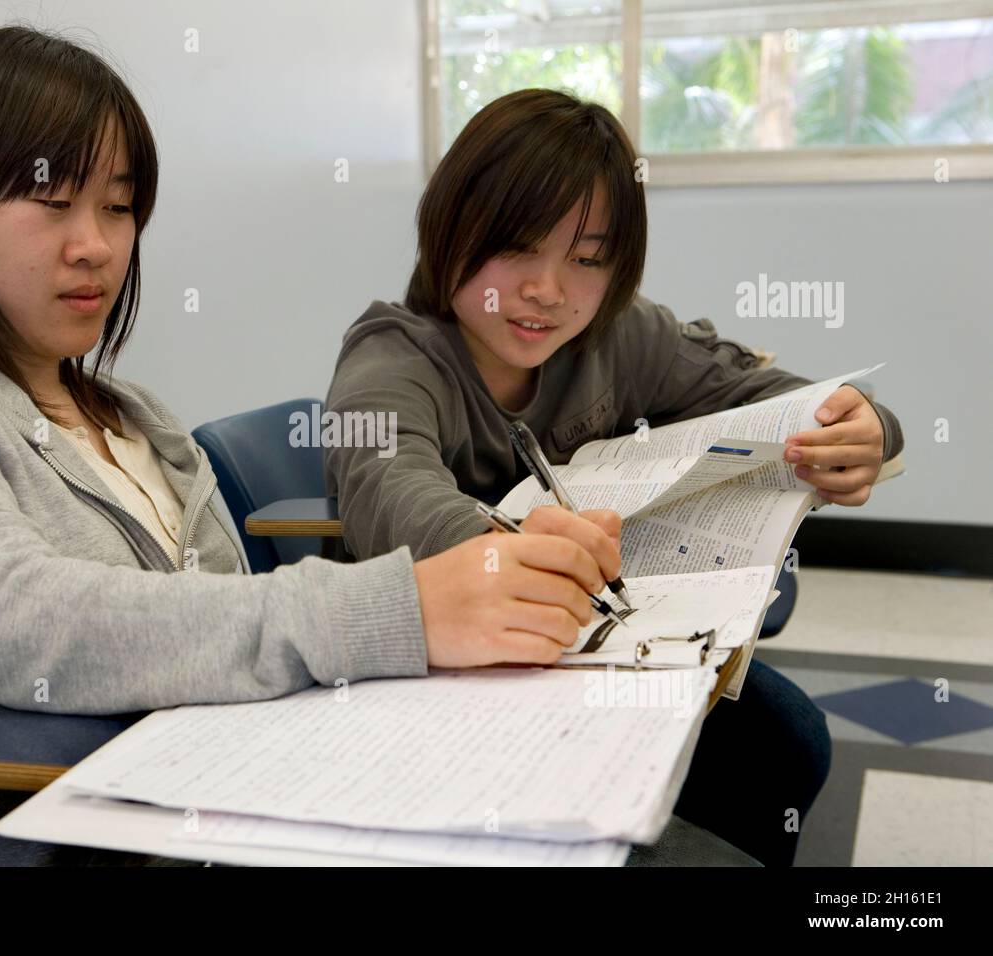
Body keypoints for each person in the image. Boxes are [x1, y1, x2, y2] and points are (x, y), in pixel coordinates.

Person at [0, 27, 712, 866]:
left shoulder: (129, 414)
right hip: (99, 840)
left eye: (117, 208)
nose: (97, 247)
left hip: (232, 796)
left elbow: (213, 627)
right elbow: (20, 621)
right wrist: (401, 610)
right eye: (53, 202)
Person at [325, 88, 905, 866]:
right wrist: (516, 554)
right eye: (517, 248)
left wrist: (865, 426)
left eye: (588, 258)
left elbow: (787, 400)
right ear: (447, 230)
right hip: (442, 685)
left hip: (601, 652)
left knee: (786, 743)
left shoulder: (617, 338)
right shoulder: (392, 359)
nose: (547, 290)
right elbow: (389, 490)